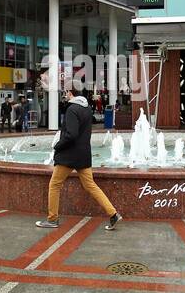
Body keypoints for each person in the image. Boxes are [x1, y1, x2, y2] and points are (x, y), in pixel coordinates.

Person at [36, 86, 121, 231]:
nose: (65, 95)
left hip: (69, 155)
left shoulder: (72, 109)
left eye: (66, 92)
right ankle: (113, 214)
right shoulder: (87, 109)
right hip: (83, 154)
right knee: (90, 185)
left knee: (55, 185)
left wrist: (58, 145)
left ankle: (52, 219)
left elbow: (71, 135)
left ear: (70, 93)